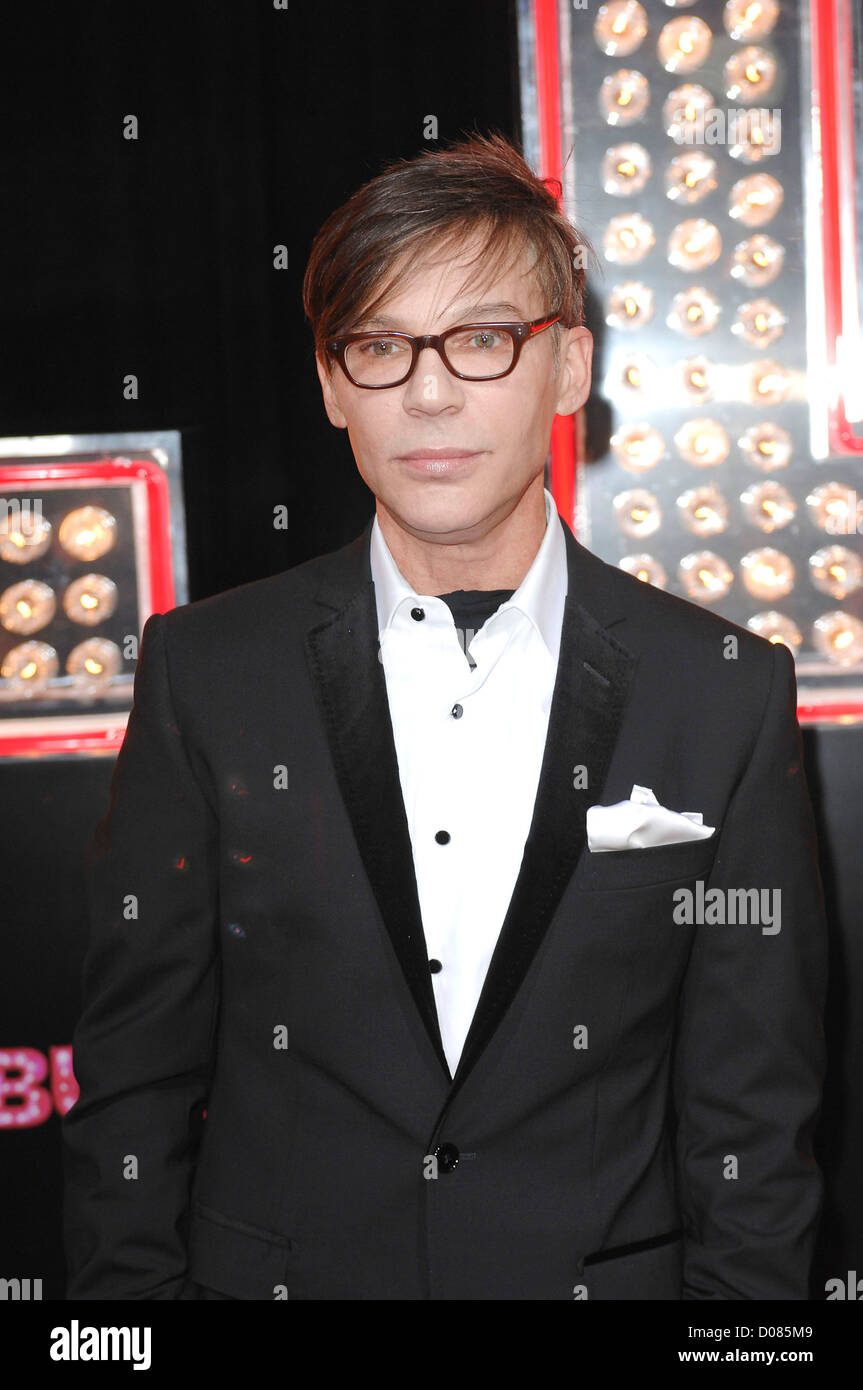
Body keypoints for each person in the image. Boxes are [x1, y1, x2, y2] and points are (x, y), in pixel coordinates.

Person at [63, 131, 828, 1300]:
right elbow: (133, 1074)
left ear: (568, 368)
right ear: (331, 383)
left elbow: (753, 1120)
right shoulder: (205, 671)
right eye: (377, 345)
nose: (426, 392)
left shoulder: (719, 685)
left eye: (479, 340)